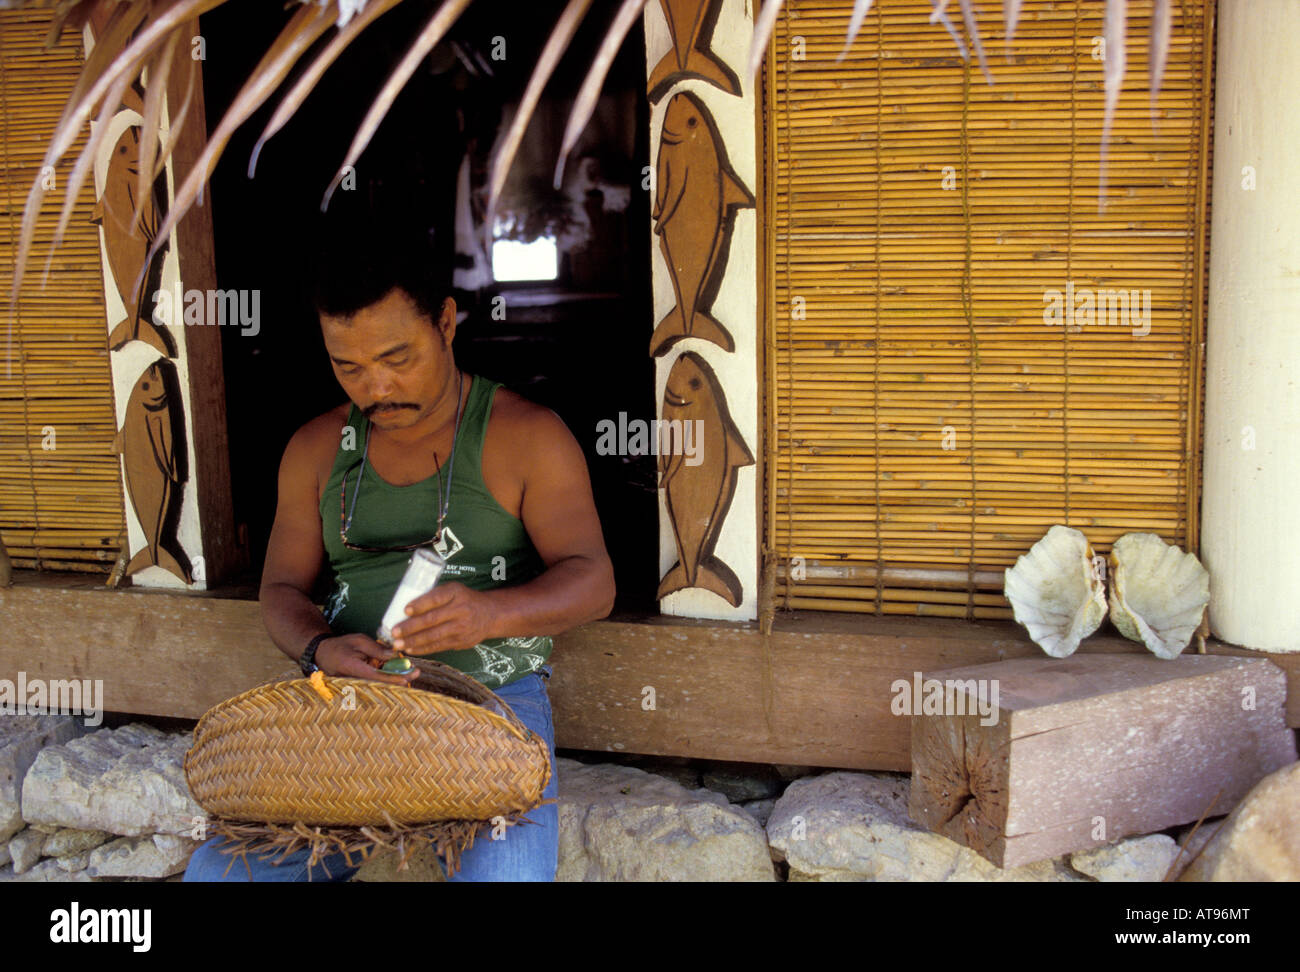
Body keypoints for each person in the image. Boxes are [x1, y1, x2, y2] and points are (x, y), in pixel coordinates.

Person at [184, 214, 615, 882]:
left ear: (445, 322)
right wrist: (319, 648)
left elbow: (594, 582)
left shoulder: (526, 434)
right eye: (347, 366)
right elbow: (280, 592)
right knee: (222, 875)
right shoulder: (314, 448)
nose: (375, 388)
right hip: (354, 705)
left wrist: (489, 616)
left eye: (397, 359)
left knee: (507, 879)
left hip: (492, 703)